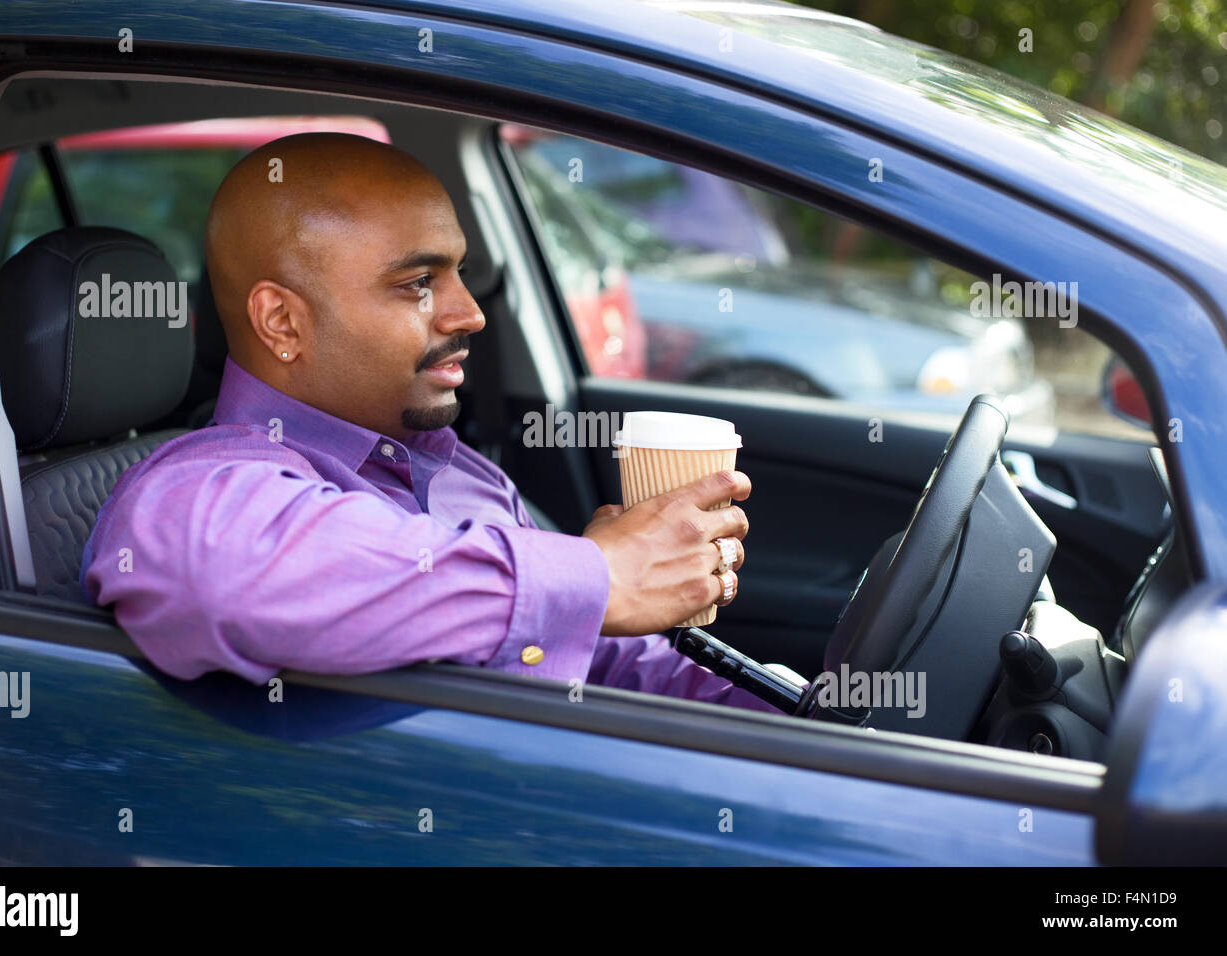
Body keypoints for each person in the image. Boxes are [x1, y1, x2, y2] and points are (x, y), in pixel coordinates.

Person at [82, 132, 783, 715]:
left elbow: (617, 666)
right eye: (418, 283)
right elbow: (224, 577)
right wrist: (598, 572)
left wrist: (799, 717)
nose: (469, 313)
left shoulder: (463, 475)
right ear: (282, 321)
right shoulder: (195, 496)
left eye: (458, 273)